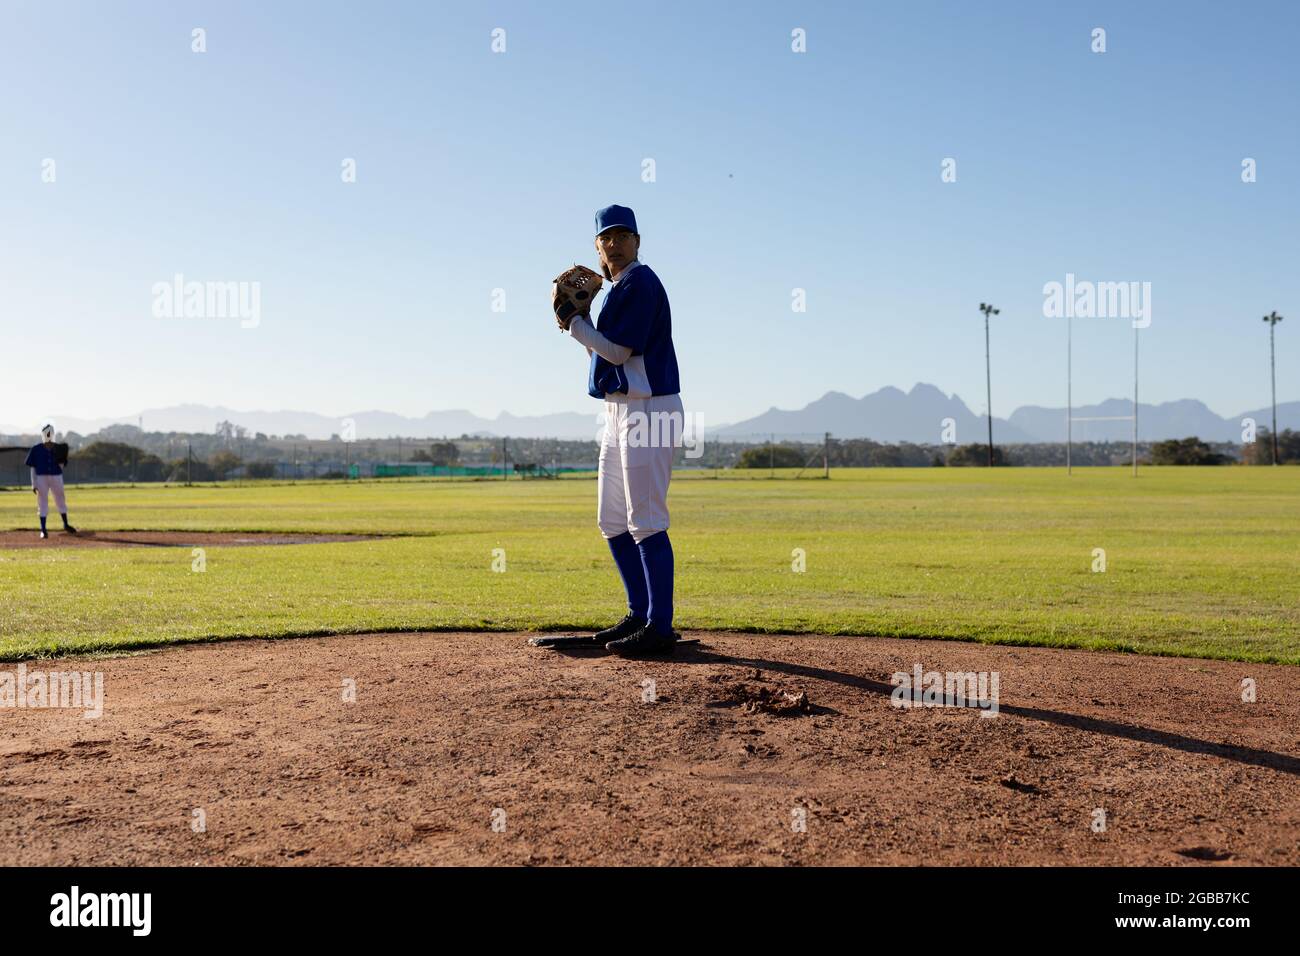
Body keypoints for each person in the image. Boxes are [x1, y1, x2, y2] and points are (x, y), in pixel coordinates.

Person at [554, 205, 684, 655]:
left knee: (646, 521)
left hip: (650, 410)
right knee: (612, 521)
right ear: (596, 246)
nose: (614, 243)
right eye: (606, 237)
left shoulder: (640, 283)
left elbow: (616, 352)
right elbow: (608, 358)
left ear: (637, 241)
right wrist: (584, 326)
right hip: (620, 410)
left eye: (623, 235)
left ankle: (659, 628)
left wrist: (574, 324)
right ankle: (638, 614)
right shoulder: (616, 291)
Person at [26, 424, 76, 540]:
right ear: (43, 434)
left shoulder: (58, 448)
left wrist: (61, 461)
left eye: (50, 433)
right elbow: (33, 467)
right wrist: (33, 483)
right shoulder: (36, 449)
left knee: (60, 499)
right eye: (46, 433)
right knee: (42, 502)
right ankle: (43, 530)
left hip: (56, 476)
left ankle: (65, 524)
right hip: (41, 477)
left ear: (53, 434)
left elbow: (62, 465)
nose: (48, 435)